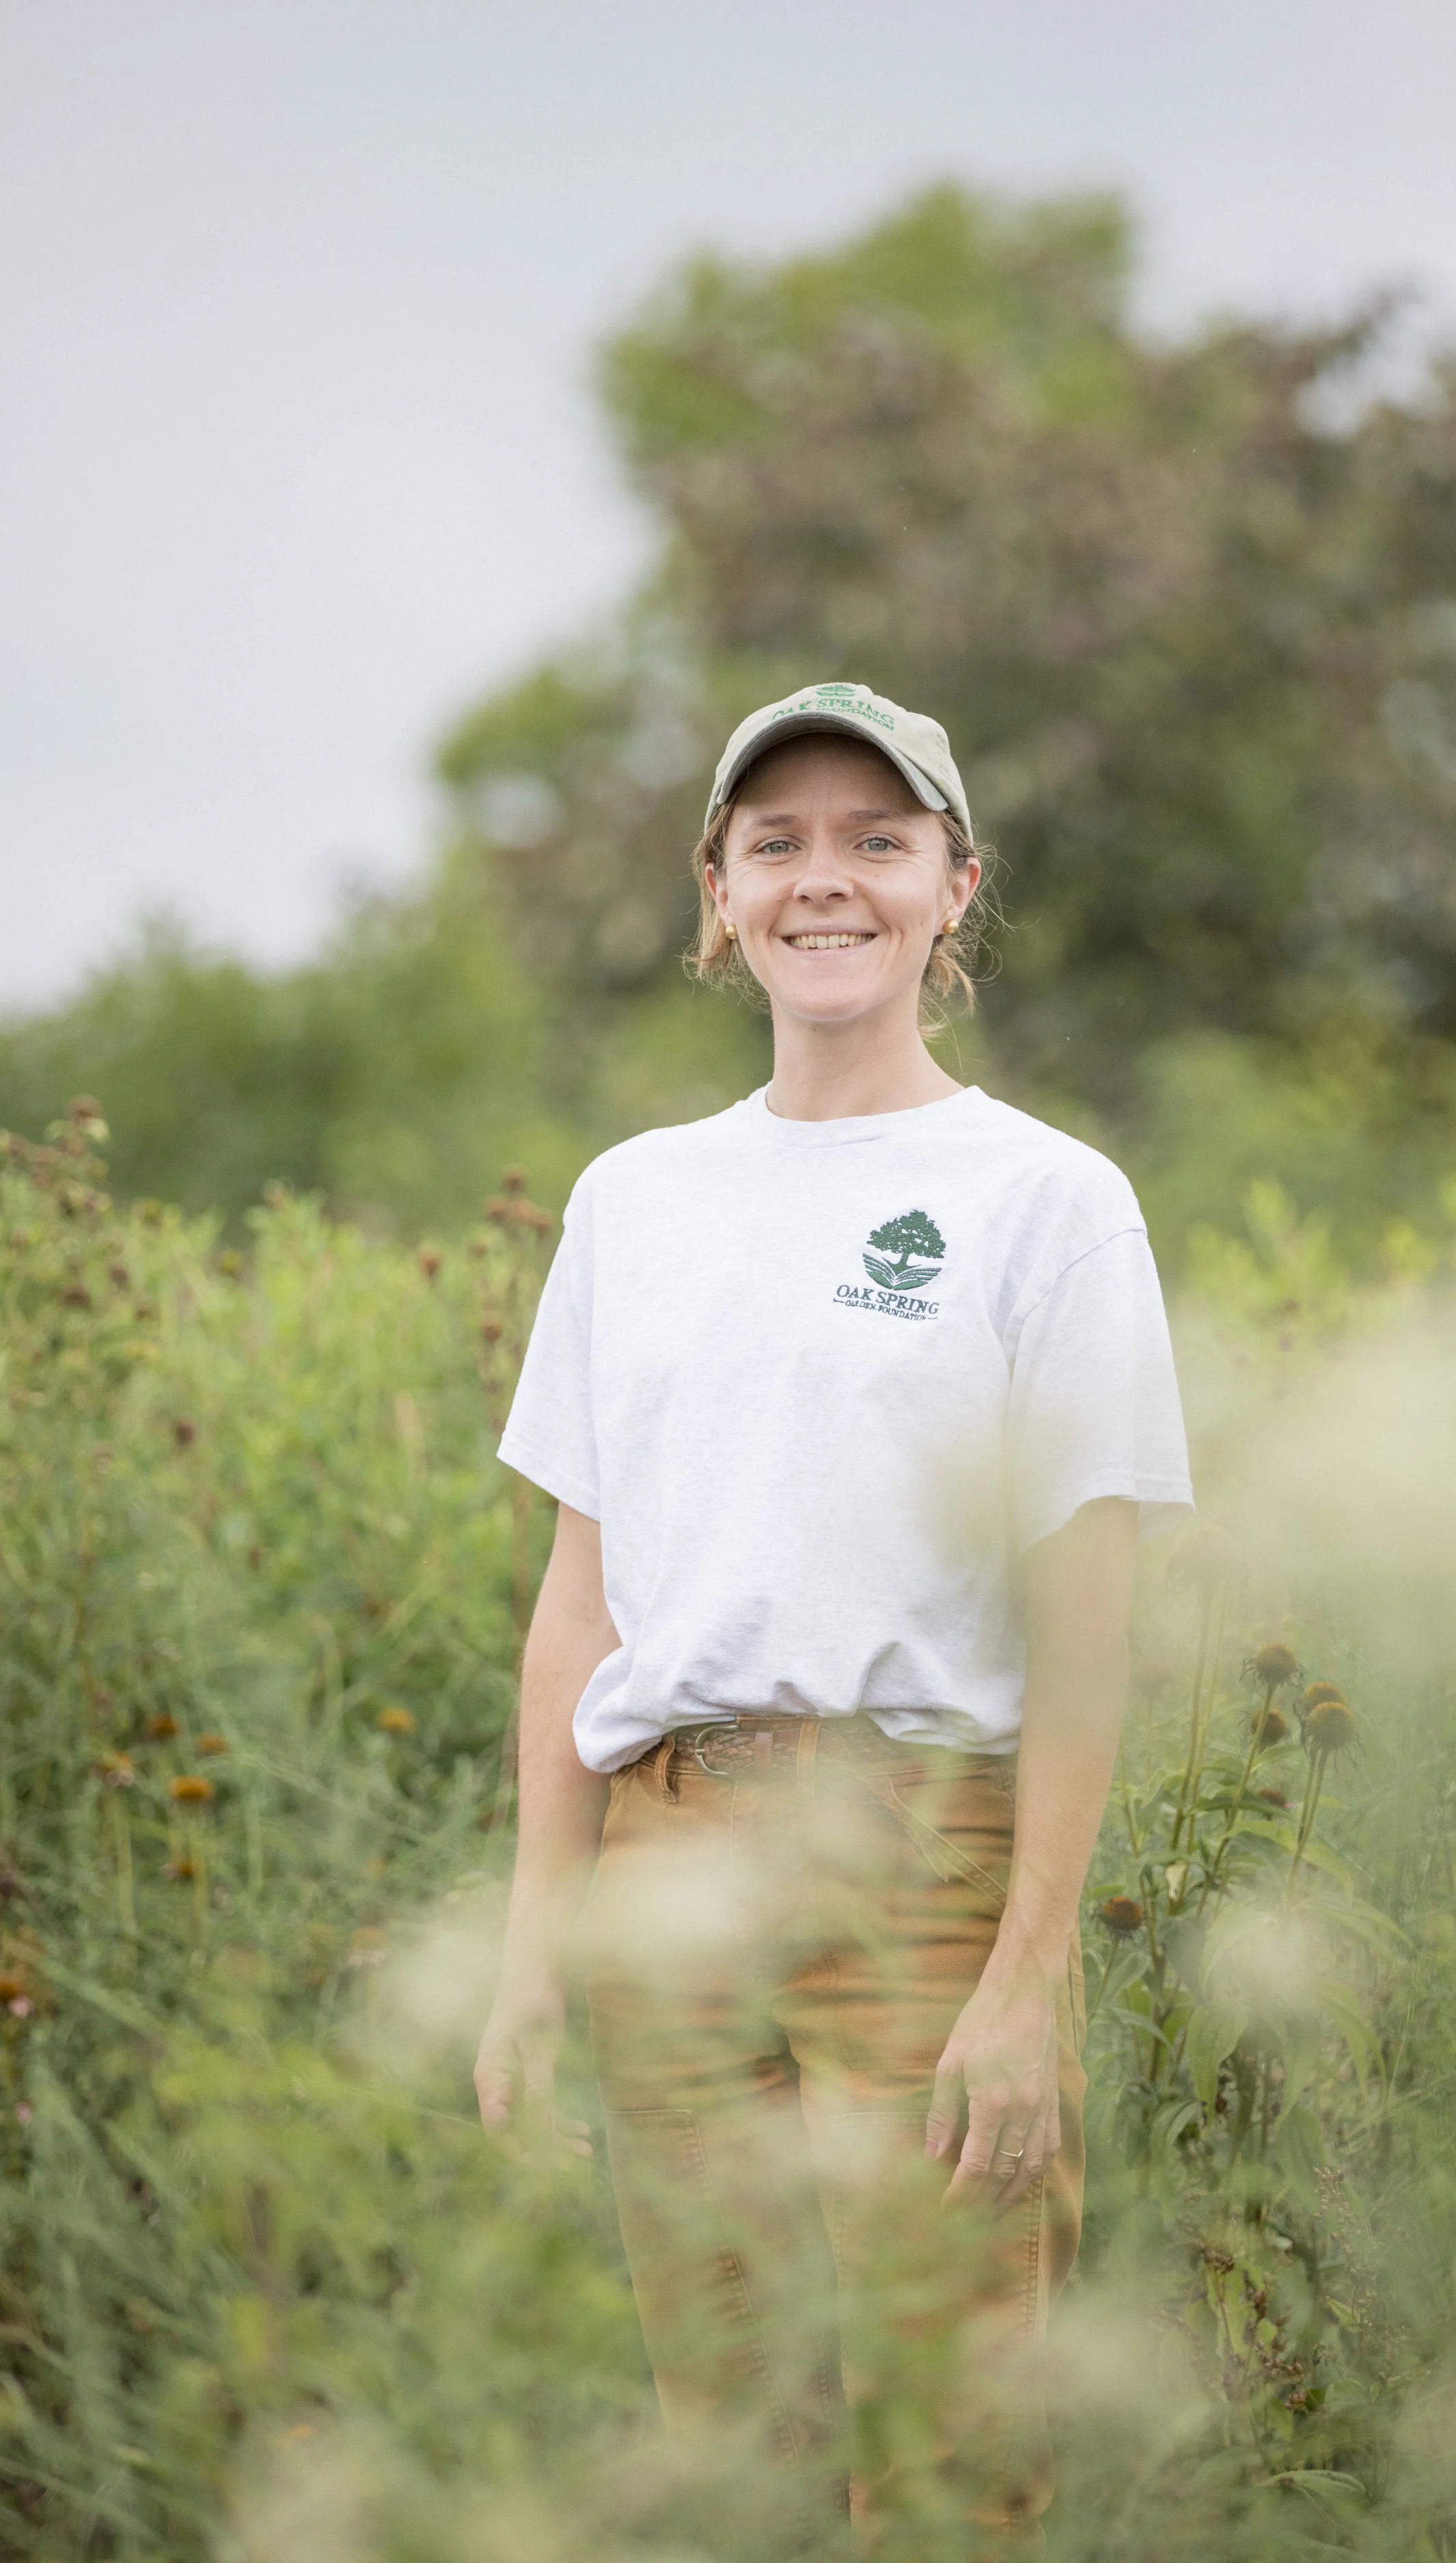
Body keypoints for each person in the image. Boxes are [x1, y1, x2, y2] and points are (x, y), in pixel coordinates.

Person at [474, 681, 1193, 2556]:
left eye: (877, 841)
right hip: (672, 1857)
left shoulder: (1048, 1202)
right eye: (776, 843)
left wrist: (1027, 1978)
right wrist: (537, 1944)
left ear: (956, 885)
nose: (826, 880)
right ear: (714, 895)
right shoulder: (634, 1203)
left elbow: (1087, 1626)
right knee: (730, 2463)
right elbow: (579, 1607)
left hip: (927, 1863)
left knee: (951, 2467)